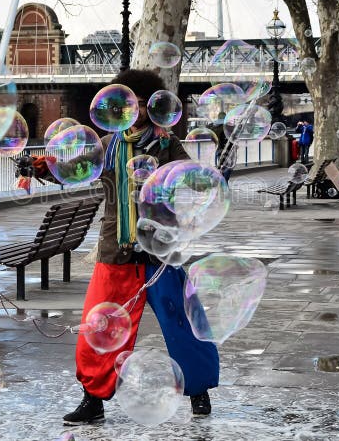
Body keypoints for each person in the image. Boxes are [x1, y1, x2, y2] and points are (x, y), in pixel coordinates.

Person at [62, 69, 219, 425]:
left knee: (184, 324)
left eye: (148, 104)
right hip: (116, 252)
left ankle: (199, 391)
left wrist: (208, 177)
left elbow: (189, 176)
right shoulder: (107, 145)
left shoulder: (166, 145)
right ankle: (93, 400)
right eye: (135, 103)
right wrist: (41, 165)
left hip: (160, 251)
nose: (141, 110)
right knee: (99, 328)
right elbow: (74, 168)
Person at [209, 111, 233, 182]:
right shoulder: (228, 127)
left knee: (222, 166)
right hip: (229, 150)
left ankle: (223, 182)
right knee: (228, 167)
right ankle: (224, 182)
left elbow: (212, 138)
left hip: (219, 149)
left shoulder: (214, 127)